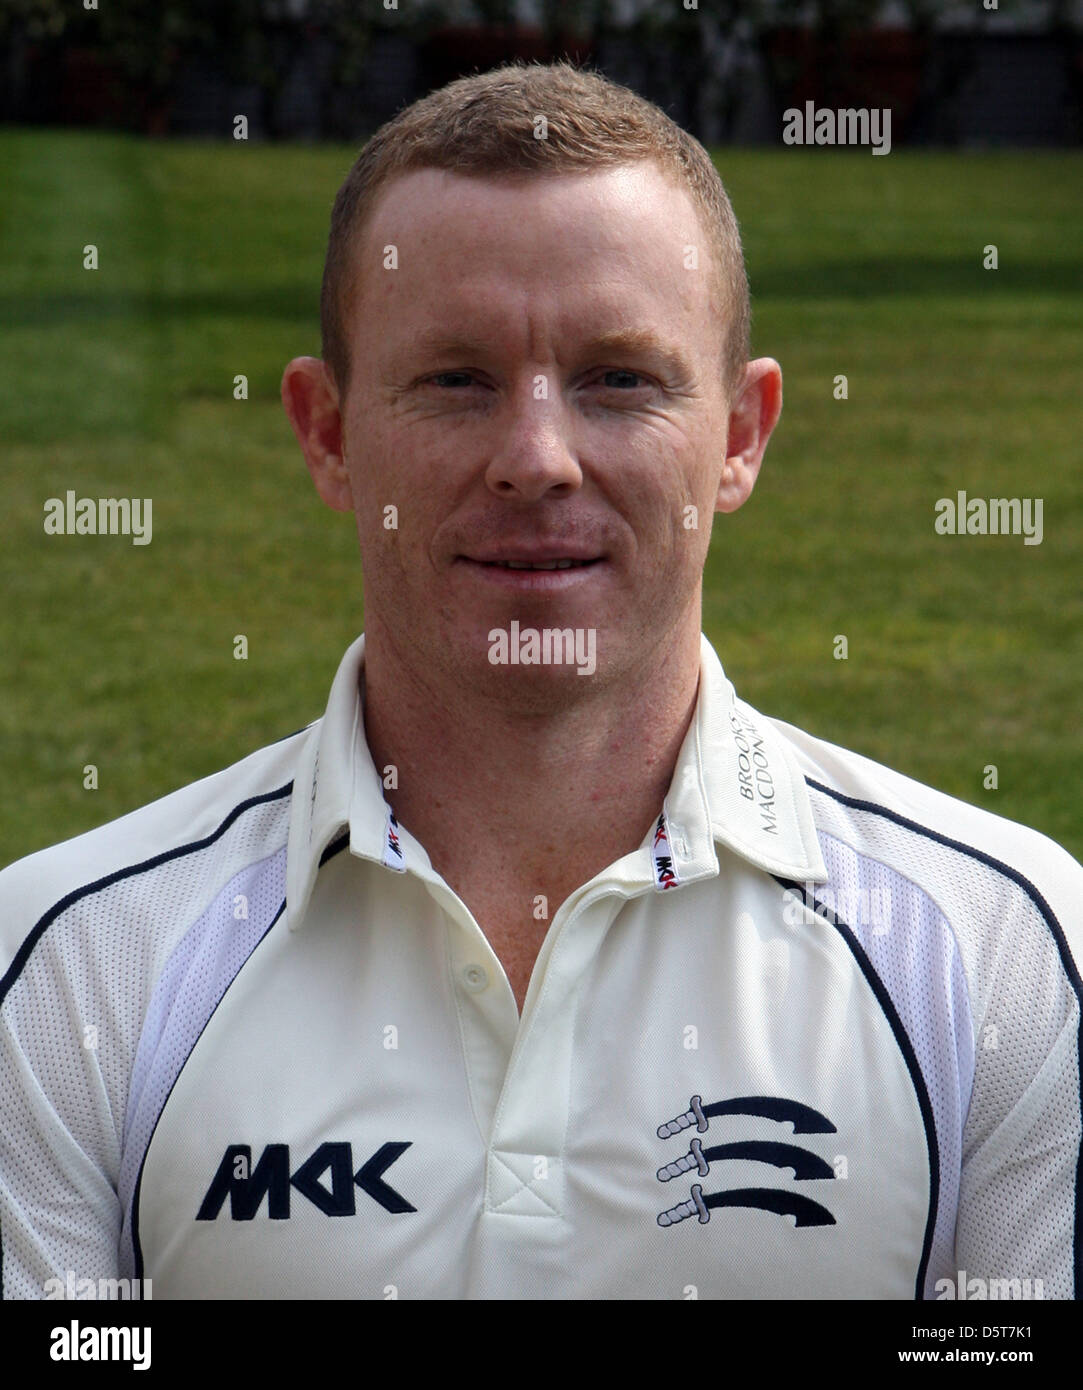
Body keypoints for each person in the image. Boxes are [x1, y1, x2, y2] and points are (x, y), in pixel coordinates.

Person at [1, 60, 1079, 1303]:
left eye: (619, 379)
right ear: (327, 433)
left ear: (740, 435)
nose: (537, 458)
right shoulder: (74, 969)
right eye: (457, 380)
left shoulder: (1001, 957)